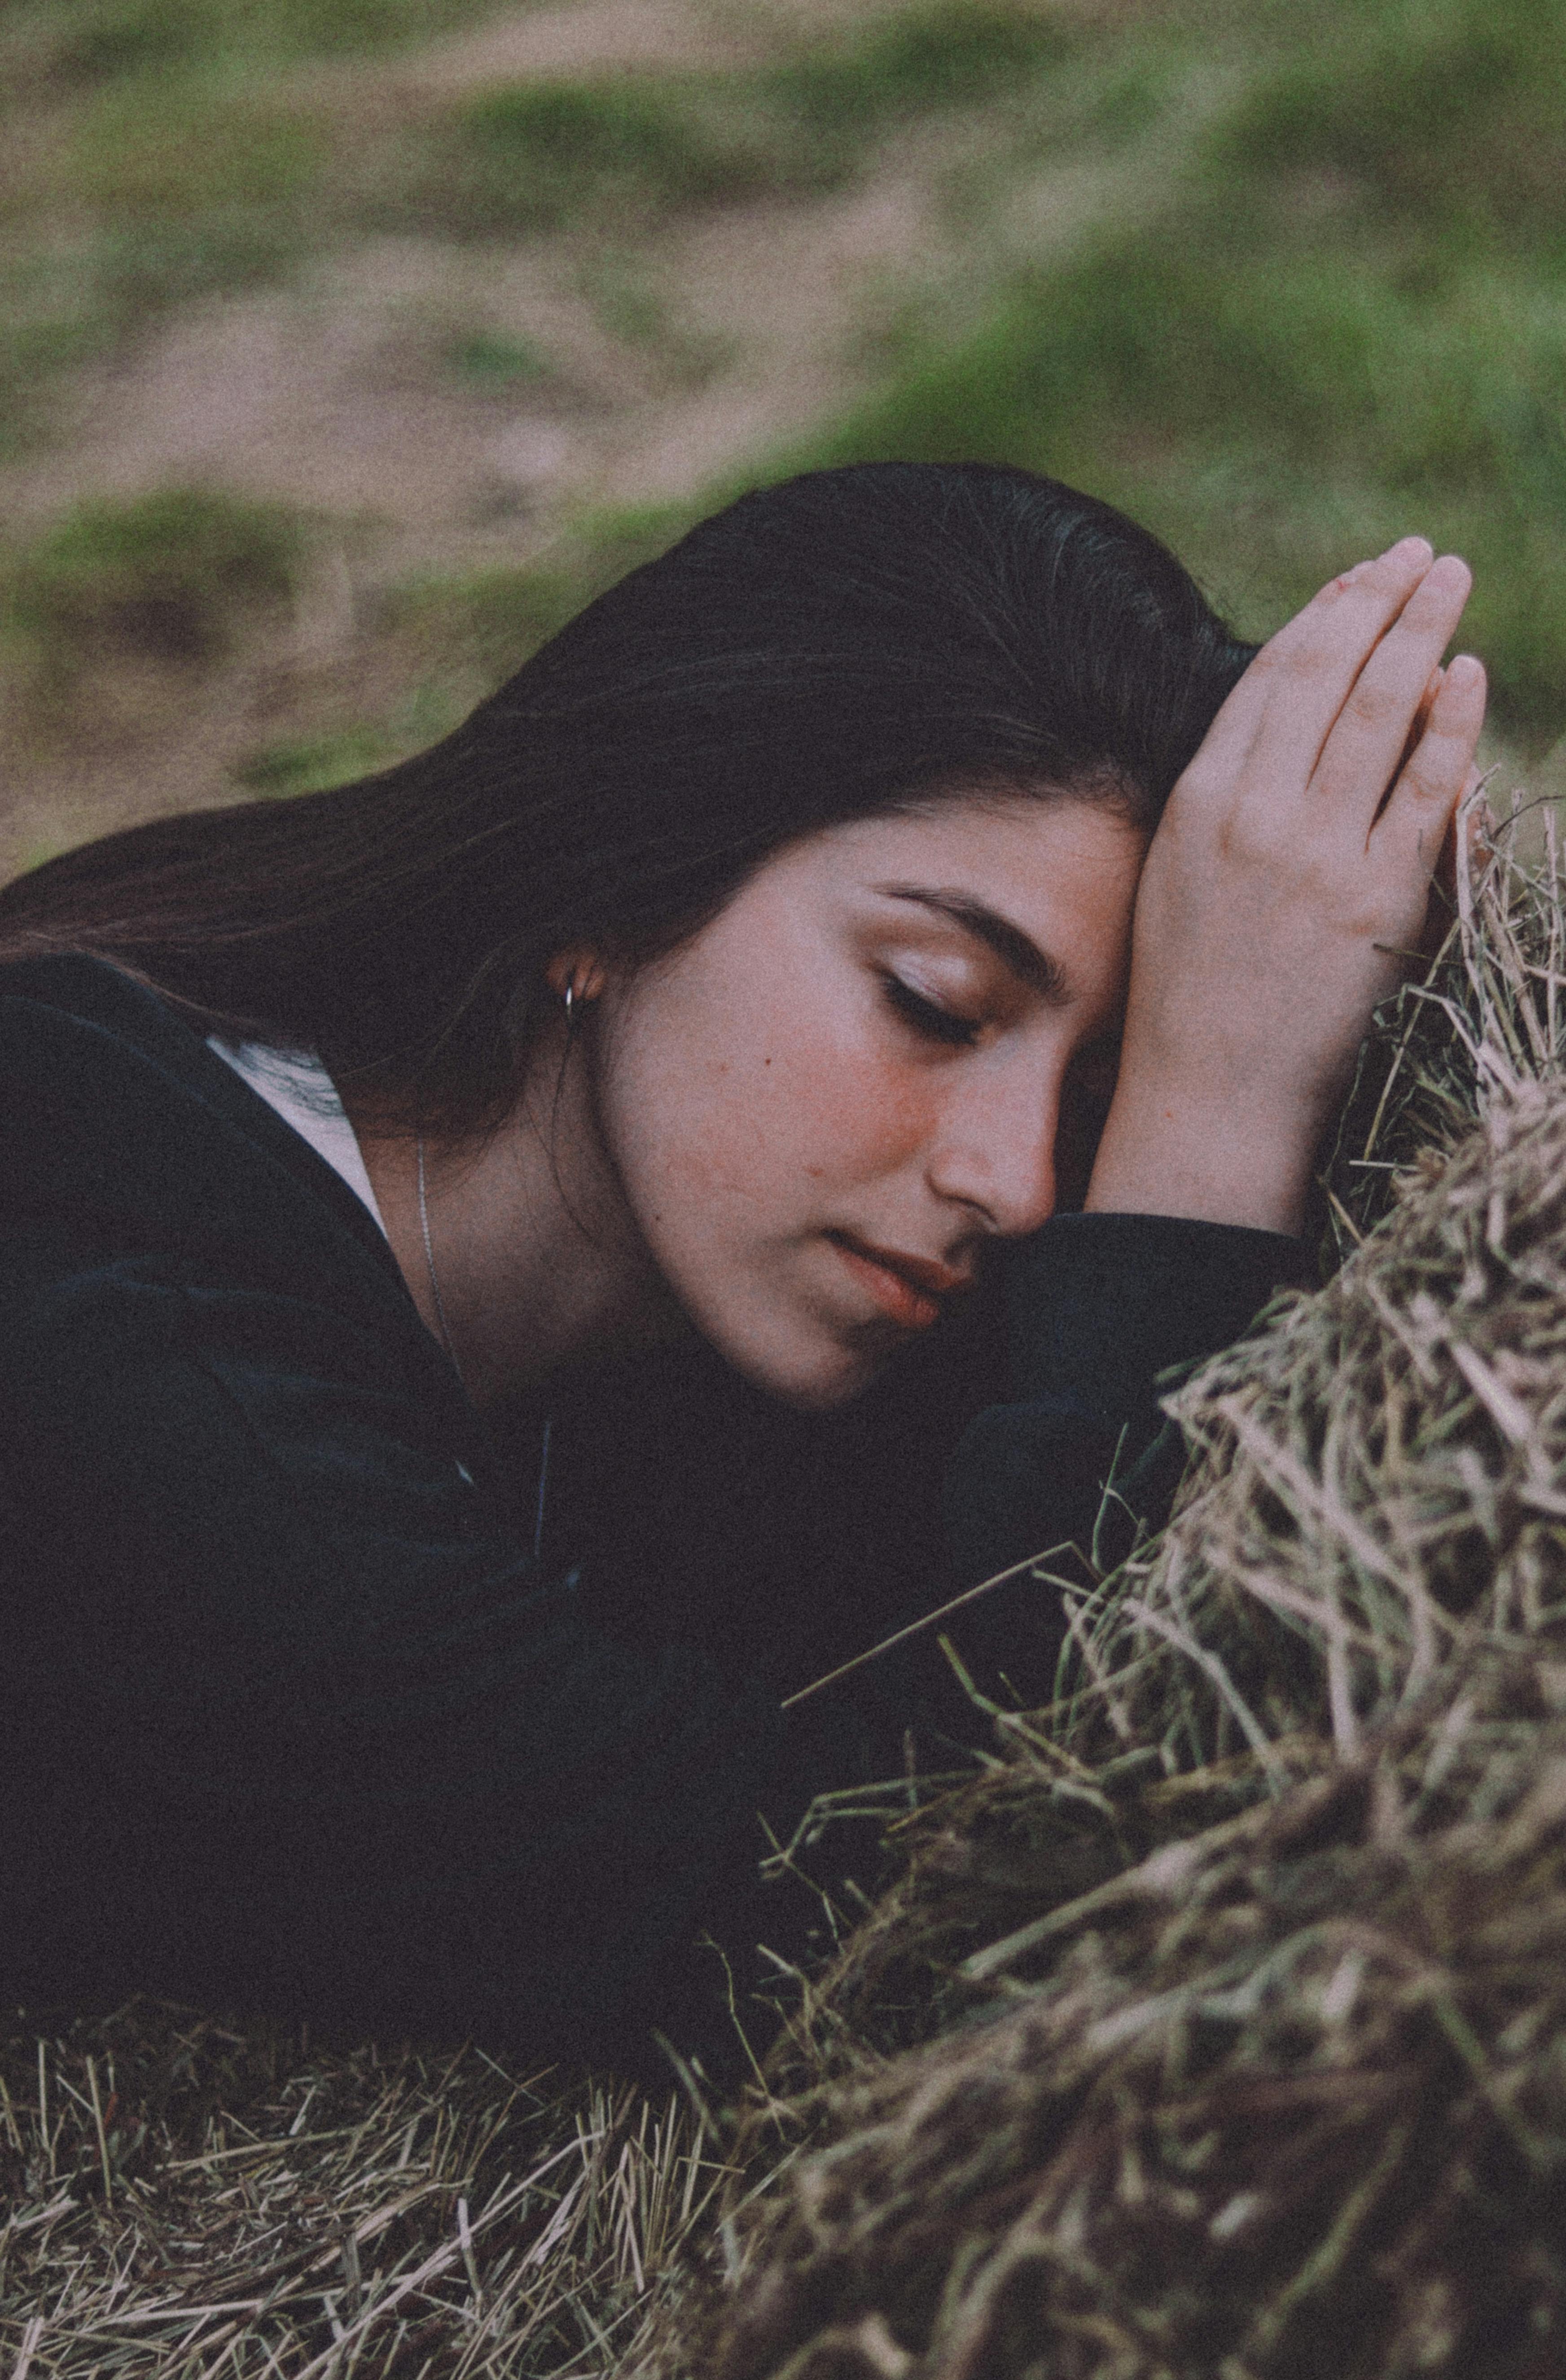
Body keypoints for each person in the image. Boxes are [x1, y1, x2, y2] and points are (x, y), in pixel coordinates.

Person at [0, 464, 1484, 2073]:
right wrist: (1210, 1130)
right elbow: (863, 1935)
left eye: (1098, 1093)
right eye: (934, 1000)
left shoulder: (664, 1357)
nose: (1021, 1181)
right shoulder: (100, 1336)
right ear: (619, 872)